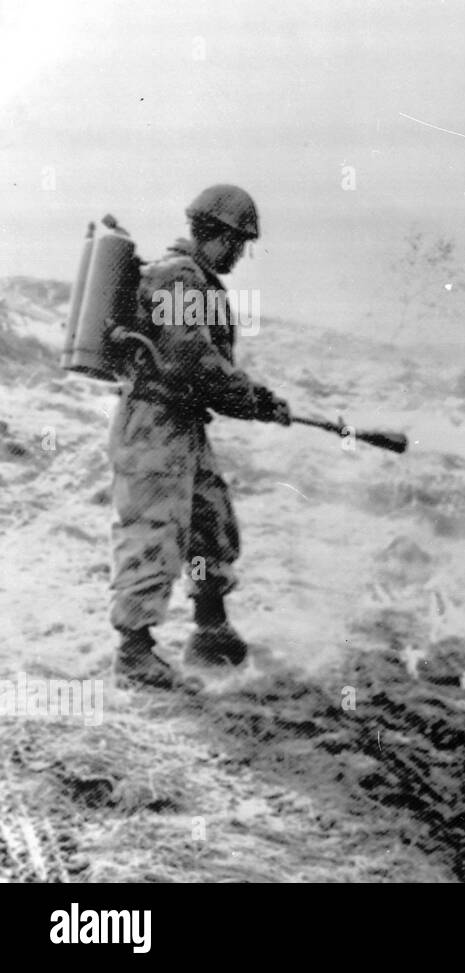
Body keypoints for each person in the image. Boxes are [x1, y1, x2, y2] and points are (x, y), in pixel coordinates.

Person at [109, 184, 291, 689]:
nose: (239, 252)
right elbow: (193, 357)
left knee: (209, 519)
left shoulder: (197, 281)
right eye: (236, 241)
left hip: (181, 422)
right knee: (154, 529)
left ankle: (210, 630)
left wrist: (257, 401)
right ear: (214, 234)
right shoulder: (179, 280)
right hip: (154, 424)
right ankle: (135, 652)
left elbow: (201, 369)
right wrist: (255, 399)